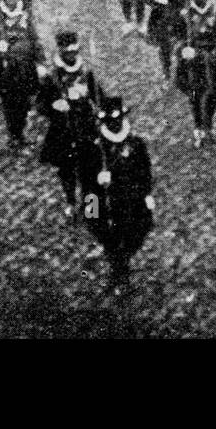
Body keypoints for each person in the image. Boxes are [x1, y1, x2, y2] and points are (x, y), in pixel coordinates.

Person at [78, 94, 154, 296]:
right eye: (110, 122)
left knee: (138, 232)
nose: (115, 124)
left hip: (131, 199)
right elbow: (85, 181)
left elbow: (145, 171)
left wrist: (147, 193)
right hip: (103, 203)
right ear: (103, 122)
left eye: (118, 119)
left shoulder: (136, 144)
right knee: (109, 237)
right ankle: (120, 274)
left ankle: (121, 262)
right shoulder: (95, 149)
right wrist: (97, 180)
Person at [35, 30, 101, 218]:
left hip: (86, 128)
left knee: (90, 171)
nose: (72, 55)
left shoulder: (86, 73)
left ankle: (91, 209)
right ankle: (71, 202)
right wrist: (55, 105)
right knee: (67, 172)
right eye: (68, 52)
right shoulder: (52, 77)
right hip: (64, 130)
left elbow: (99, 97)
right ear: (62, 53)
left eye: (75, 51)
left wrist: (102, 110)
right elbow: (40, 104)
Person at [0, 0, 42, 148]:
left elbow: (34, 39)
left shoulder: (25, 15)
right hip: (6, 67)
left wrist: (41, 61)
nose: (12, 0)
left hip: (26, 64)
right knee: (9, 103)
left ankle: (20, 132)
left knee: (24, 102)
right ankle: (13, 134)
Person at [174, 0, 216, 147]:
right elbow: (176, 39)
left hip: (213, 58)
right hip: (193, 62)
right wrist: (182, 49)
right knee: (196, 93)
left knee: (214, 93)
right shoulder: (185, 15)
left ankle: (209, 124)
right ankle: (199, 128)